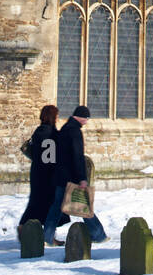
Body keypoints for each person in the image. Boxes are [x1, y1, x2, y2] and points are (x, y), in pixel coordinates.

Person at [43, 105, 107, 245]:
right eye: (86, 118)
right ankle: (98, 234)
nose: (87, 121)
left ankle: (47, 237)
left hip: (61, 177)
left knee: (57, 208)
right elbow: (77, 157)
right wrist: (82, 178)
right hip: (71, 178)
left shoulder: (65, 129)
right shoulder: (75, 132)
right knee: (83, 206)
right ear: (80, 117)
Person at [18, 104, 61, 242]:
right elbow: (51, 157)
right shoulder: (52, 133)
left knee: (36, 202)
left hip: (37, 173)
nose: (58, 118)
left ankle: (26, 227)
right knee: (50, 204)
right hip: (49, 174)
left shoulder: (38, 132)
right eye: (56, 115)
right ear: (52, 117)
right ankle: (43, 234)